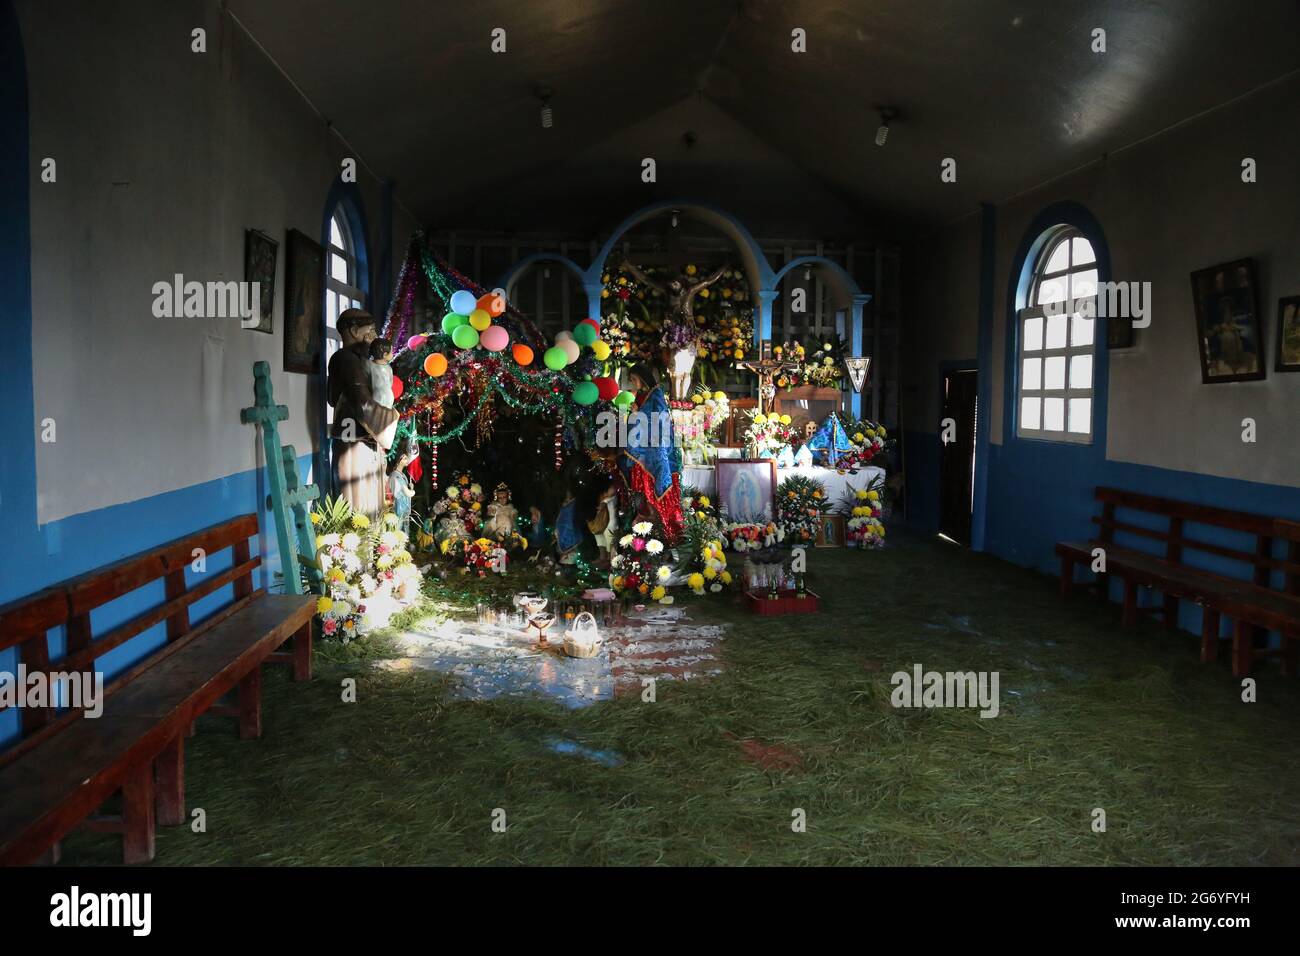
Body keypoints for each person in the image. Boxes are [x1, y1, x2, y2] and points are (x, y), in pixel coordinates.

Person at [326, 309, 400, 516]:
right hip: (355, 441)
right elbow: (362, 402)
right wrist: (389, 419)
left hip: (361, 438)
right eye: (372, 331)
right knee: (359, 504)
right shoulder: (347, 359)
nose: (375, 338)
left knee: (369, 502)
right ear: (354, 330)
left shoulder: (357, 359)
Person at [618, 363, 684, 543]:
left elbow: (660, 421)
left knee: (653, 492)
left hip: (654, 452)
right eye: (630, 380)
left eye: (633, 380)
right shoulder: (641, 397)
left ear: (643, 379)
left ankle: (663, 534)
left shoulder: (655, 396)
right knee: (642, 495)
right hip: (642, 453)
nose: (632, 384)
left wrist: (638, 413)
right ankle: (644, 532)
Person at [387, 440, 418, 535]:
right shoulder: (395, 476)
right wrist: (412, 489)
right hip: (399, 507)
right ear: (398, 461)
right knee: (398, 529)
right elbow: (408, 493)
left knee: (405, 530)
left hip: (404, 507)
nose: (407, 460)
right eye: (404, 458)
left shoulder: (402, 475)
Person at [368, 338, 396, 410]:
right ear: (385, 355)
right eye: (392, 352)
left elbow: (390, 382)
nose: (393, 353)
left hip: (388, 399)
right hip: (376, 399)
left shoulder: (388, 367)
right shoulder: (369, 365)